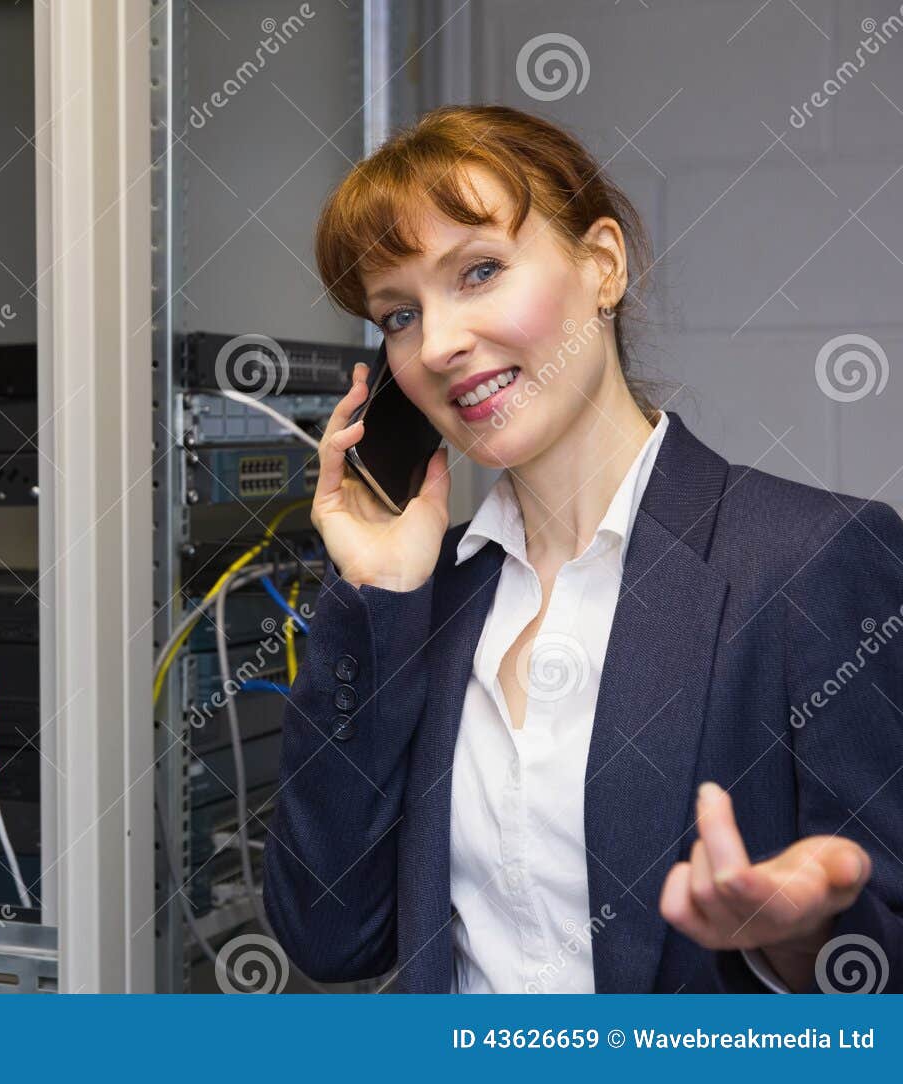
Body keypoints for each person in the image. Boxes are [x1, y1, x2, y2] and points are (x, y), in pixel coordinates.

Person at [263, 104, 903, 993]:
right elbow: (329, 935)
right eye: (400, 314)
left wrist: (800, 939)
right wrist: (374, 600)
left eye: (479, 271)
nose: (438, 345)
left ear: (603, 265)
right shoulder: (427, 599)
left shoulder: (811, 561)